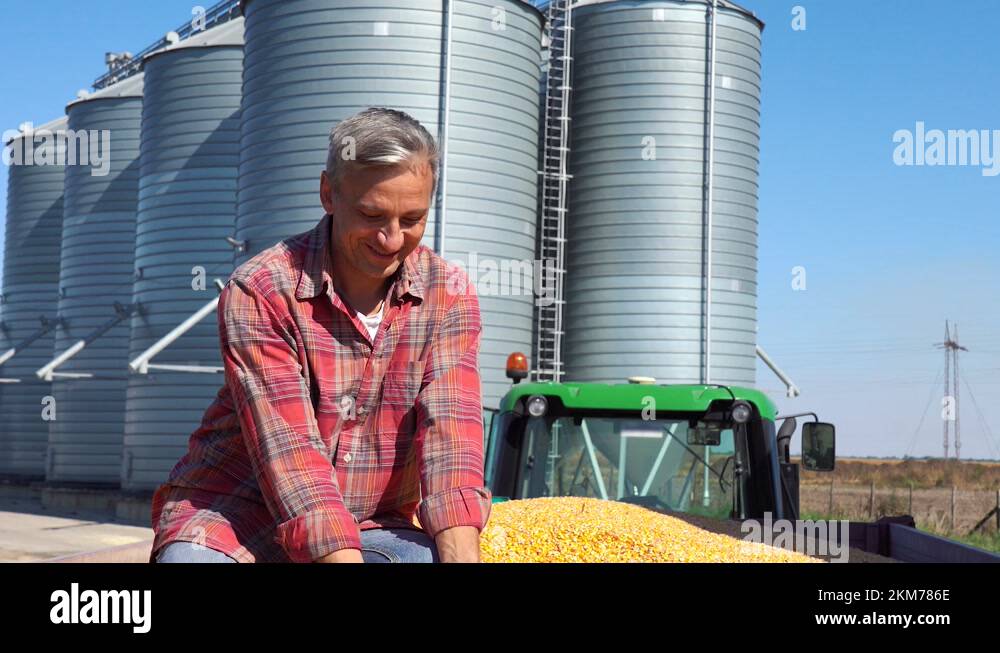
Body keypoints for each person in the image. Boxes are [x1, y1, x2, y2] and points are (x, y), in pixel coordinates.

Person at [151, 108, 491, 563]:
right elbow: (289, 452)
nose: (391, 239)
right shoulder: (263, 289)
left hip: (368, 518)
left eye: (411, 219)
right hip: (237, 512)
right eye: (372, 215)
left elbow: (452, 437)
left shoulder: (447, 294)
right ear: (328, 193)